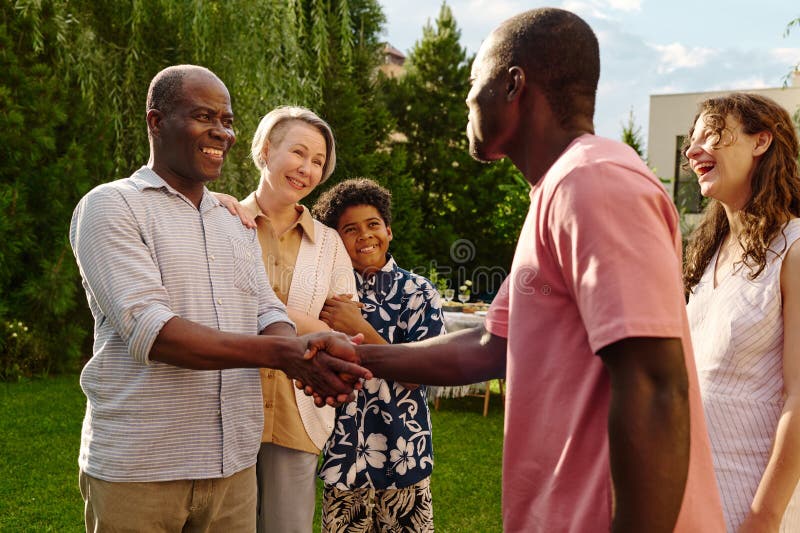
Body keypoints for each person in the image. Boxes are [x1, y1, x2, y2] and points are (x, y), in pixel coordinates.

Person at [301, 8, 725, 532]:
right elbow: (488, 347)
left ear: (513, 84)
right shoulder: (557, 191)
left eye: (473, 85)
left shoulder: (593, 182)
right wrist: (361, 355)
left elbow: (657, 384)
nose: (466, 103)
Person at [69, 65, 369, 532]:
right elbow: (154, 332)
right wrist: (287, 354)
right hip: (143, 468)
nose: (221, 132)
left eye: (227, 120)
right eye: (204, 116)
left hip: (233, 468)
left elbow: (266, 309)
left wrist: (300, 353)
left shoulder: (232, 223)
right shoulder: (112, 206)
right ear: (156, 121)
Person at [234, 106, 356, 533]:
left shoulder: (329, 245)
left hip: (298, 412)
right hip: (224, 410)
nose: (307, 168)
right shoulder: (219, 220)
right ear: (265, 151)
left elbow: (343, 331)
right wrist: (311, 325)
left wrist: (263, 305)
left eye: (318, 161)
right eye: (298, 153)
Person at [683, 93, 800, 531]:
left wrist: (764, 517)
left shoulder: (794, 248)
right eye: (691, 142)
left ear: (761, 141)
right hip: (688, 493)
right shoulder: (708, 253)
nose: (694, 151)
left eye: (711, 135)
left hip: (750, 505)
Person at [311, 178, 445, 532]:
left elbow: (422, 373)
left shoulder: (418, 292)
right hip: (345, 453)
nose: (364, 235)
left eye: (372, 225)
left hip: (405, 450)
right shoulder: (330, 294)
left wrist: (360, 327)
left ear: (388, 230)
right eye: (350, 229)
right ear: (336, 242)